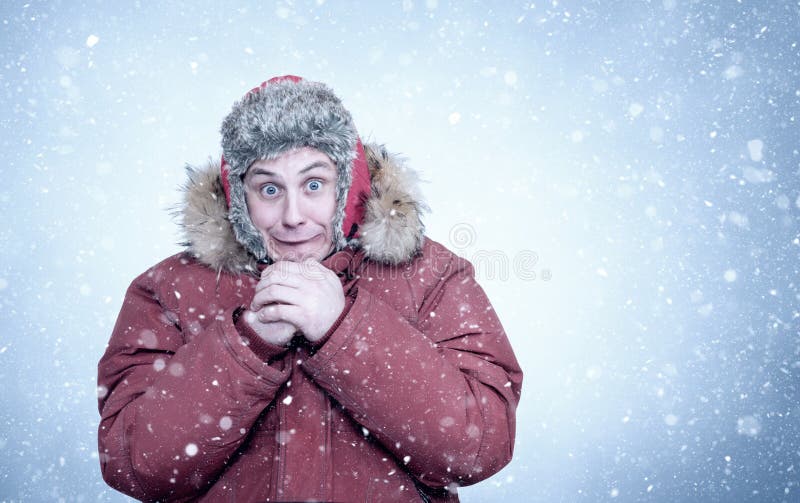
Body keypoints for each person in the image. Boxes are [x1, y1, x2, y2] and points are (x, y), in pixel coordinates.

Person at [97, 75, 523, 502]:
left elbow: (479, 447)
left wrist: (343, 330)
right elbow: (136, 465)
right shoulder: (170, 290)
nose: (293, 215)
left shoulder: (431, 275)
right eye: (269, 189)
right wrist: (249, 343)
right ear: (238, 197)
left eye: (314, 184)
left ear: (348, 184)